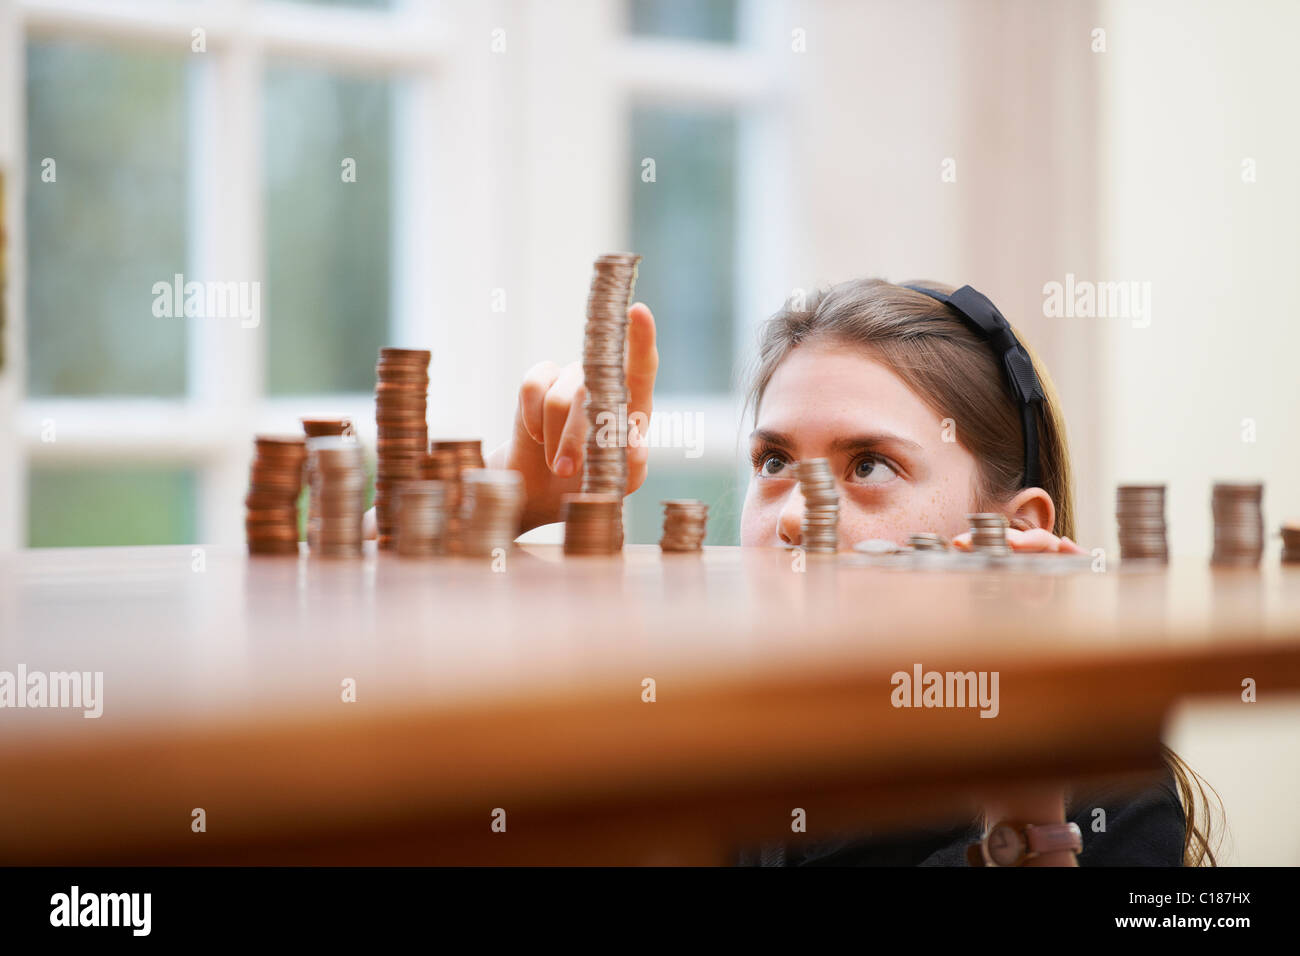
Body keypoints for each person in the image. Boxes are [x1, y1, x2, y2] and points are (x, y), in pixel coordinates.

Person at [486, 276, 1218, 866]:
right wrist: (496, 517)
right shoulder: (702, 753)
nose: (799, 516)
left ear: (1013, 537)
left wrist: (1027, 822)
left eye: (868, 465)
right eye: (774, 462)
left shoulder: (1106, 795)